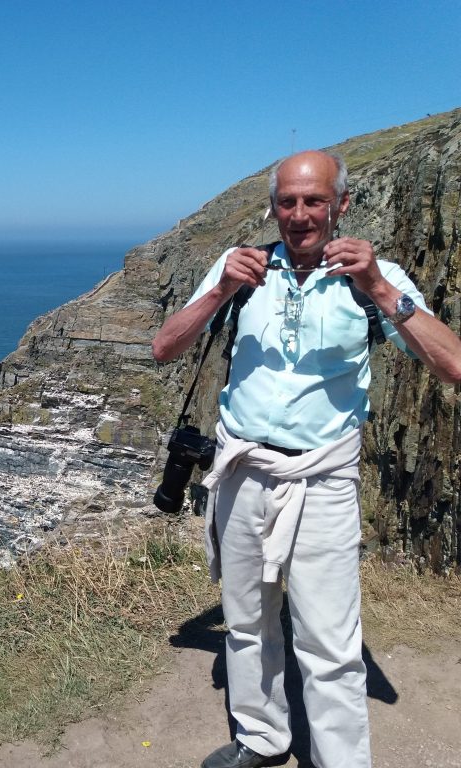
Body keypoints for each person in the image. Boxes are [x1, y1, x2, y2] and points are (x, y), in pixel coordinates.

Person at [151, 150, 461, 768]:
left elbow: (452, 366)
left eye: (313, 201)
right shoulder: (239, 267)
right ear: (274, 206)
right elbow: (164, 347)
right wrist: (220, 290)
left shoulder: (376, 278)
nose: (298, 215)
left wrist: (377, 287)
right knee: (245, 622)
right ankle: (263, 740)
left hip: (321, 478)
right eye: (287, 202)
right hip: (243, 470)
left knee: (328, 642)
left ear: (340, 205)